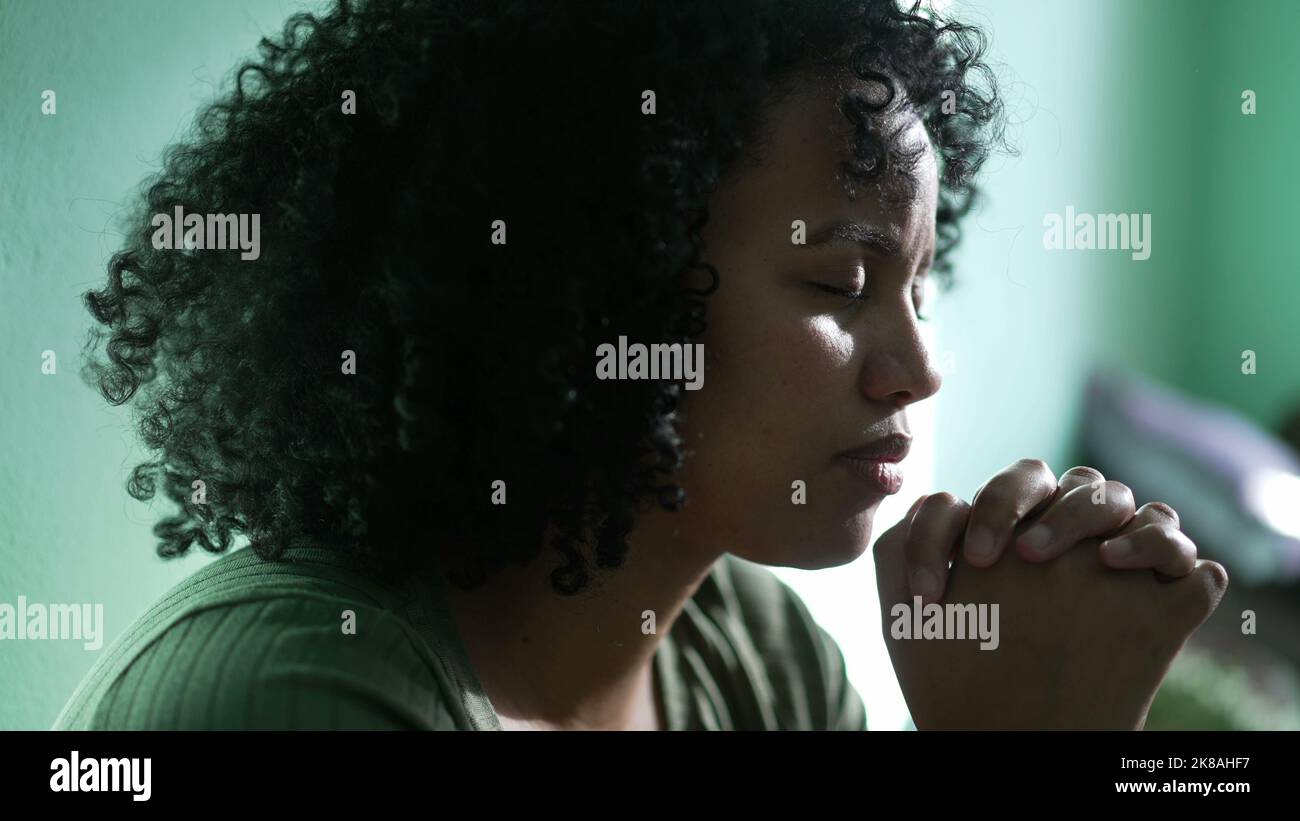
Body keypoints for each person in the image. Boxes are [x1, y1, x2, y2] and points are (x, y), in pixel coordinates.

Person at [54, 0, 1226, 731]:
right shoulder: (288, 700)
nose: (916, 368)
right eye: (840, 285)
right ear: (587, 283)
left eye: (920, 285)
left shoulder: (759, 657)